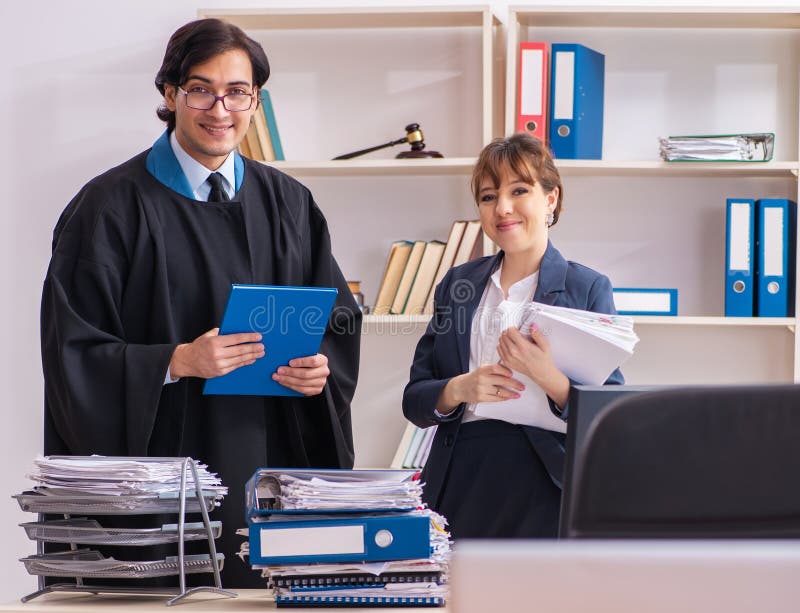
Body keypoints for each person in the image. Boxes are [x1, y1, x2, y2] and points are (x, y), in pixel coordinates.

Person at [40, 18, 361, 588]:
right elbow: (72, 354)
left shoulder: (291, 204)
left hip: (269, 465)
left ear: (255, 100)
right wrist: (178, 360)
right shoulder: (107, 209)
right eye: (200, 89)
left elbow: (337, 318)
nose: (220, 108)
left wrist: (321, 370)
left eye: (237, 92)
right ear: (169, 94)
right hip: (163, 486)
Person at [402, 133, 623, 539]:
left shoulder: (587, 288)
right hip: (458, 481)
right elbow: (415, 399)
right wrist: (459, 387)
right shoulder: (458, 284)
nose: (502, 208)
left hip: (544, 486)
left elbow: (609, 416)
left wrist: (547, 376)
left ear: (550, 199)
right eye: (488, 197)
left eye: (519, 190)